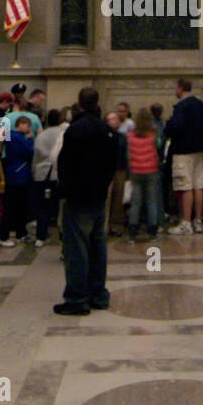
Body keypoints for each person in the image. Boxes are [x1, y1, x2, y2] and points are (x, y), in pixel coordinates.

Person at [54, 87, 117, 315]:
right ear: (97, 103)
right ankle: (98, 294)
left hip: (78, 197)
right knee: (98, 246)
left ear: (79, 104)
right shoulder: (107, 131)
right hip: (99, 196)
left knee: (77, 249)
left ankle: (77, 298)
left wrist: (65, 192)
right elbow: (112, 163)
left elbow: (65, 164)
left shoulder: (75, 130)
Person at [164, 78, 203, 235]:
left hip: (183, 150)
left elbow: (176, 127)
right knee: (198, 185)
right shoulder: (201, 105)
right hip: (199, 151)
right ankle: (198, 220)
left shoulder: (182, 106)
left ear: (180, 88)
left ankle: (185, 222)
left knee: (185, 186)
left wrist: (168, 127)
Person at [0, 114, 34, 247]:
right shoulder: (17, 137)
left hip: (16, 175)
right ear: (21, 124)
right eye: (28, 126)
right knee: (13, 207)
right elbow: (29, 152)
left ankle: (19, 232)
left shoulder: (11, 136)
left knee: (18, 206)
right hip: (18, 176)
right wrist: (29, 139)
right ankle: (3, 235)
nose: (29, 129)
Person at [126, 107, 162, 243]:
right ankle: (152, 232)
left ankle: (132, 233)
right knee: (151, 202)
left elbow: (127, 155)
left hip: (135, 171)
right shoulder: (153, 135)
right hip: (151, 171)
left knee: (136, 202)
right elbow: (159, 145)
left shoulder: (129, 136)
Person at [31, 109, 66, 246]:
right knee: (61, 208)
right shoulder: (63, 134)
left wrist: (34, 173)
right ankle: (63, 236)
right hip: (58, 174)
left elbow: (36, 157)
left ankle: (41, 236)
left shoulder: (41, 136)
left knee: (42, 208)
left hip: (42, 174)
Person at [104, 110, 129, 236]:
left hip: (120, 169)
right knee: (107, 198)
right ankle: (104, 225)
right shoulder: (103, 136)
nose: (116, 120)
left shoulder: (122, 137)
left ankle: (116, 224)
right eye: (112, 119)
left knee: (118, 198)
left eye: (116, 118)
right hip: (107, 170)